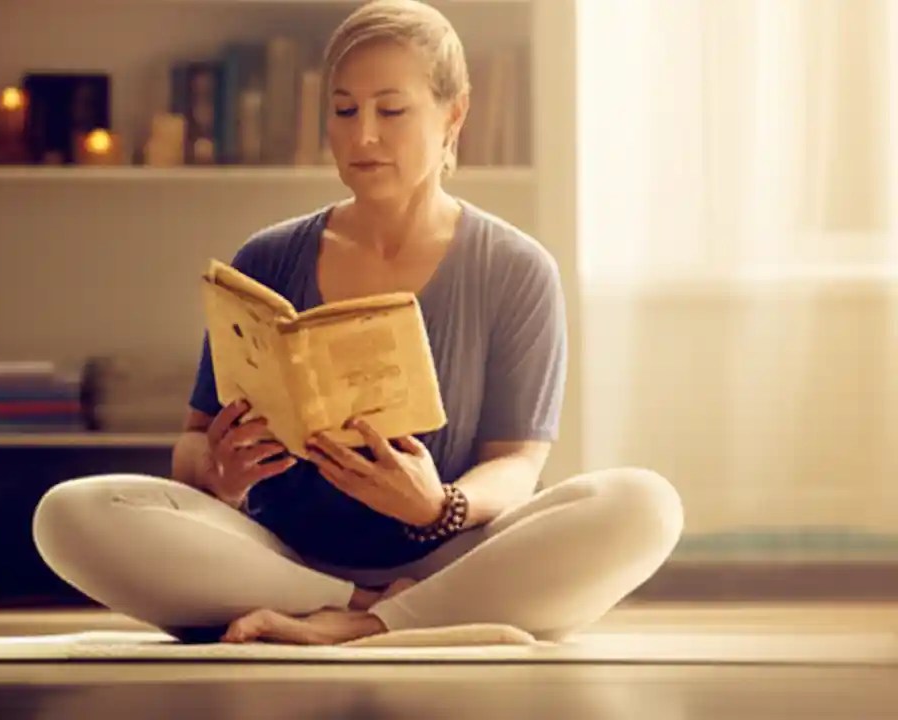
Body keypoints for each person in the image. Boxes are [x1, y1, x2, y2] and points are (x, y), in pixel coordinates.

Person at [33, 0, 683, 645]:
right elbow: (192, 446)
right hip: (276, 559)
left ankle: (366, 623)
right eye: (344, 110)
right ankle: (360, 608)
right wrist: (221, 475)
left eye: (391, 110)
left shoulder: (516, 268)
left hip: (449, 556)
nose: (362, 135)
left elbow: (516, 463)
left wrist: (438, 506)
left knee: (644, 505)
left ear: (453, 114)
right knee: (68, 516)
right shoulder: (266, 257)